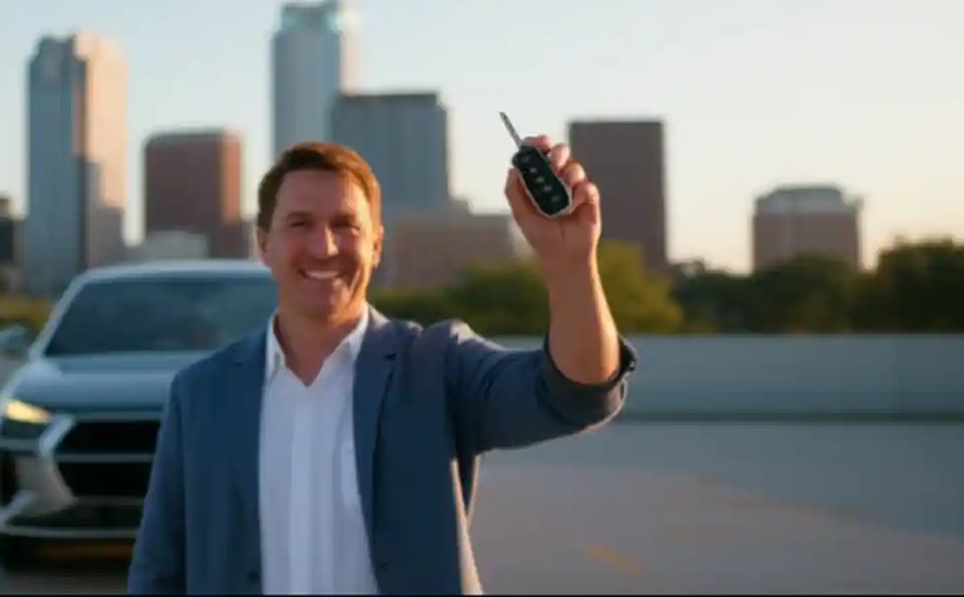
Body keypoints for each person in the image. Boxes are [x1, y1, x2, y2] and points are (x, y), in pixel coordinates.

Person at [128, 137, 638, 595]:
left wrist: (571, 264)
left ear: (376, 245)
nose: (324, 246)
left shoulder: (437, 366)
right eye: (299, 224)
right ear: (264, 244)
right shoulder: (201, 393)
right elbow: (160, 568)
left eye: (345, 225)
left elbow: (575, 394)